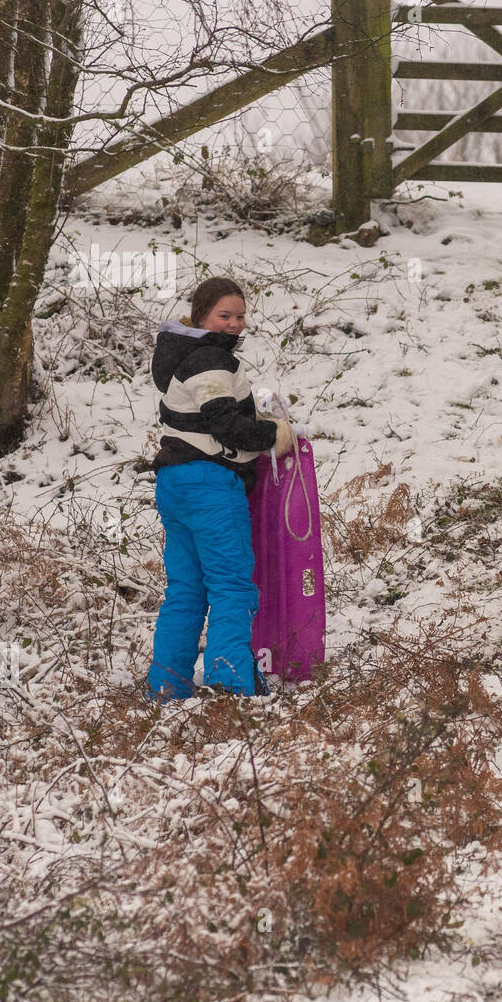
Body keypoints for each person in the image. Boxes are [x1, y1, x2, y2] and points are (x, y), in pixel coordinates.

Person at [145, 276, 296, 700]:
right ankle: (231, 692)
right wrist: (275, 435)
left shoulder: (184, 357)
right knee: (231, 587)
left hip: (175, 483)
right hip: (209, 485)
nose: (235, 324)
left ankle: (166, 688)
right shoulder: (210, 359)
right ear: (200, 317)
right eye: (224, 315)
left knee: (186, 590)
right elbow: (224, 424)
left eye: (241, 315)